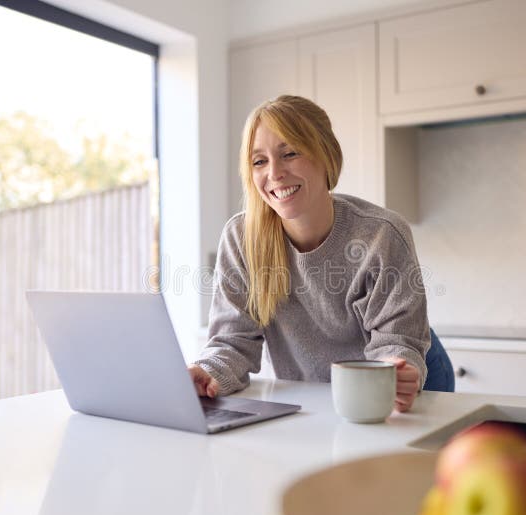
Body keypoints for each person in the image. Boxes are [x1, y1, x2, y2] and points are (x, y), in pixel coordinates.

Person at [188, 95, 453, 412]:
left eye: (290, 154)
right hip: (315, 393)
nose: (275, 173)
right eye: (259, 161)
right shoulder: (241, 238)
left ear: (326, 155)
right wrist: (207, 372)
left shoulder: (381, 233)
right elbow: (232, 342)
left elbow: (396, 341)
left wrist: (395, 370)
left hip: (408, 376)